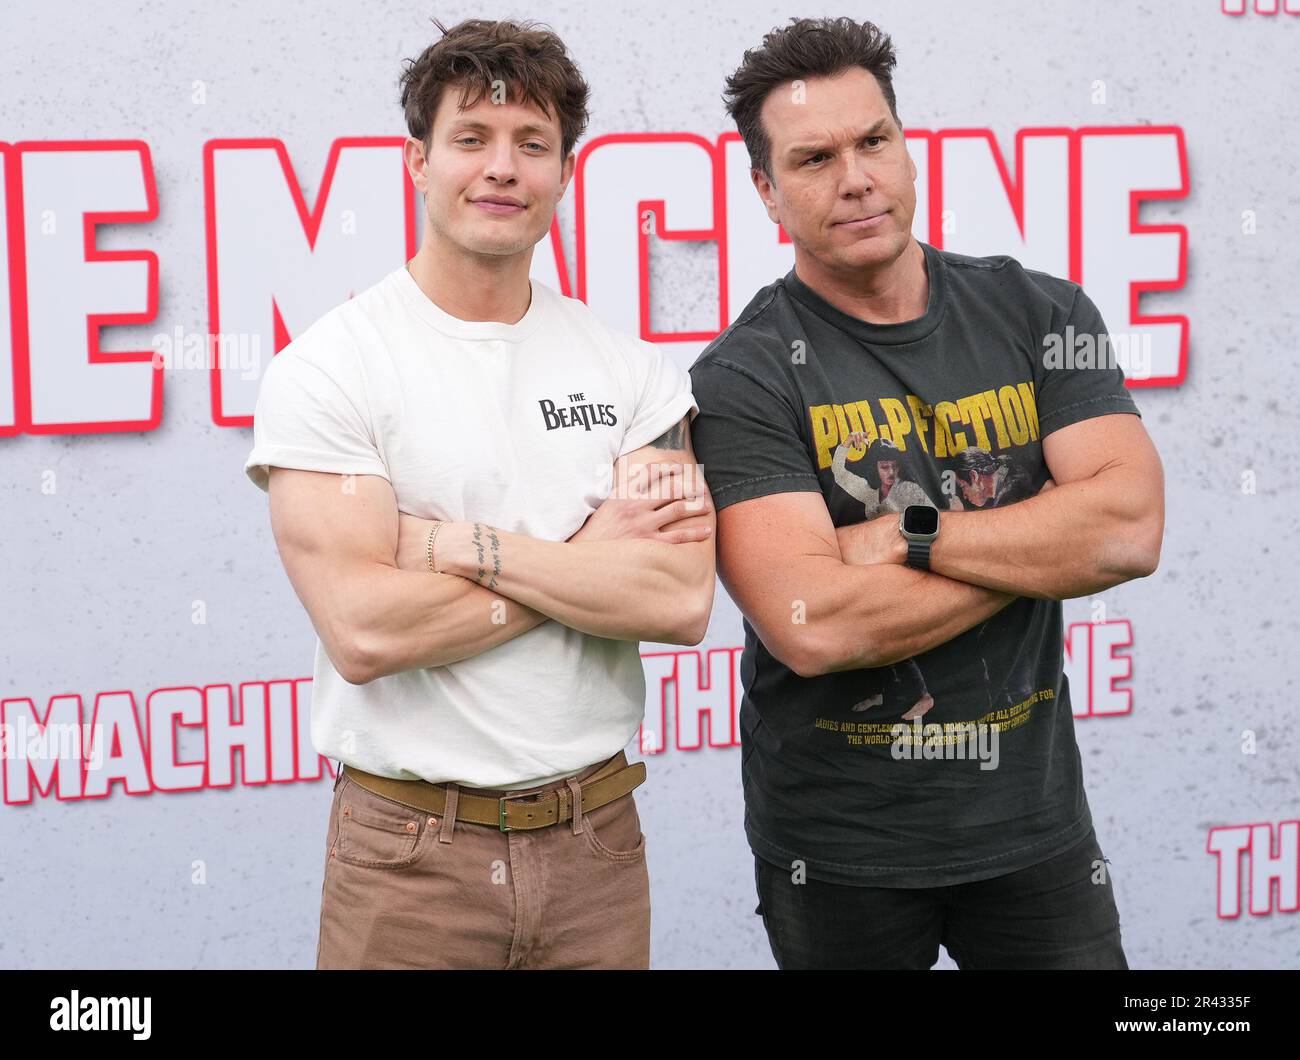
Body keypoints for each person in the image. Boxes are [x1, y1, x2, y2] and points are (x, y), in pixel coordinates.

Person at [688, 16, 1165, 969]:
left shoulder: (1042, 315)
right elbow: (812, 621)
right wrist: (1043, 552)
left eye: (875, 141)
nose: (856, 177)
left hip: (1036, 827)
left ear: (908, 148)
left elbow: (1127, 529)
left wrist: (907, 534)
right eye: (815, 158)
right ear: (766, 192)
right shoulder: (742, 377)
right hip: (839, 851)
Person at [243, 18, 716, 969]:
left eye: (531, 145)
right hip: (410, 858)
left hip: (597, 846)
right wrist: (586, 562)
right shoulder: (332, 370)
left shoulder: (636, 375)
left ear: (564, 174)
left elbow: (675, 599)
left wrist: (463, 546)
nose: (502, 168)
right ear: (416, 161)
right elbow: (369, 632)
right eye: (472, 139)